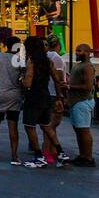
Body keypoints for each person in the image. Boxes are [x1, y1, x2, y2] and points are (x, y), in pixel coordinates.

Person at [0, 37, 39, 165]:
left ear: (6, 45)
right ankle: (14, 156)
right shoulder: (20, 60)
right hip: (14, 96)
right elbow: (25, 77)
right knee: (13, 126)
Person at [20, 35, 55, 168]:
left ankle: (39, 155)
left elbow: (28, 82)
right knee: (46, 125)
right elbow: (57, 79)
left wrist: (21, 80)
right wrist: (60, 96)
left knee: (30, 126)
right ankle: (60, 152)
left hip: (33, 97)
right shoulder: (47, 61)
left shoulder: (32, 61)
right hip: (45, 95)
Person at [67, 43, 97, 167]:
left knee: (84, 130)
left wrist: (69, 87)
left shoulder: (88, 67)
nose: (77, 53)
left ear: (87, 52)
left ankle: (88, 158)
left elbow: (88, 86)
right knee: (78, 130)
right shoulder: (78, 66)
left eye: (80, 51)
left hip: (82, 102)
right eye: (76, 50)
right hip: (75, 102)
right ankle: (82, 155)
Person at [43, 34, 70, 163]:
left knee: (48, 124)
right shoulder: (57, 58)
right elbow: (58, 79)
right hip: (54, 94)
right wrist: (61, 96)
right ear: (58, 45)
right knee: (53, 124)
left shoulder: (45, 57)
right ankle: (48, 151)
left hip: (46, 93)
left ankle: (51, 150)